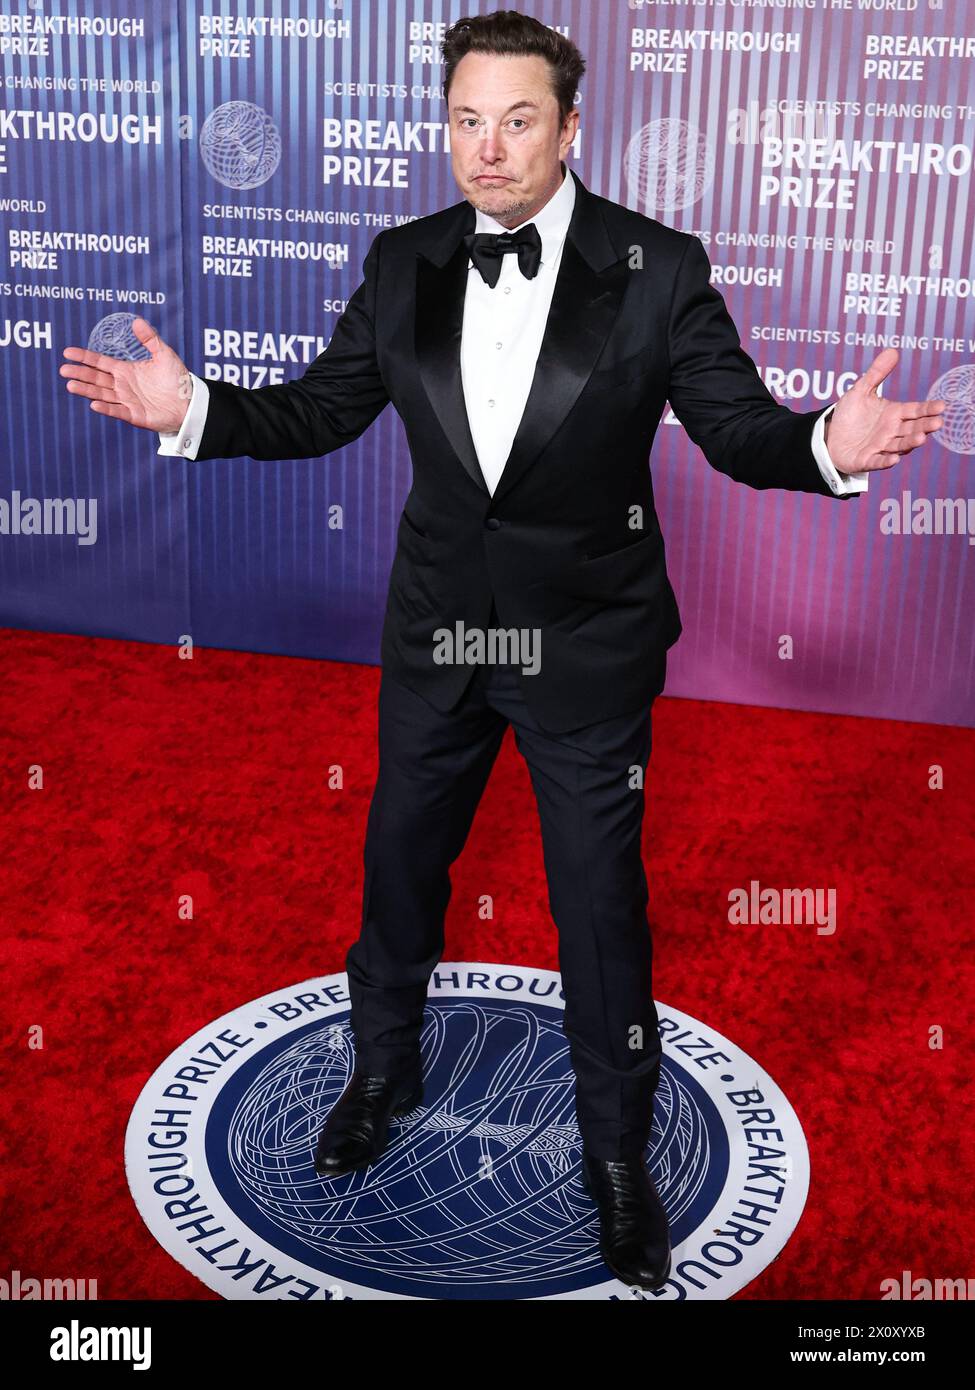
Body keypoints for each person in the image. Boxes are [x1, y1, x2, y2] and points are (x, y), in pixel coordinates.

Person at [60, 10, 945, 1293]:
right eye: (467, 120)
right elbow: (320, 409)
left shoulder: (657, 266)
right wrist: (190, 408)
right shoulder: (406, 255)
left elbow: (737, 428)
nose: (488, 148)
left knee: (599, 910)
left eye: (518, 120)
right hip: (439, 632)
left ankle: (616, 1162)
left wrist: (824, 448)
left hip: (584, 647)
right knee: (401, 864)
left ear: (571, 126)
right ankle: (381, 1072)